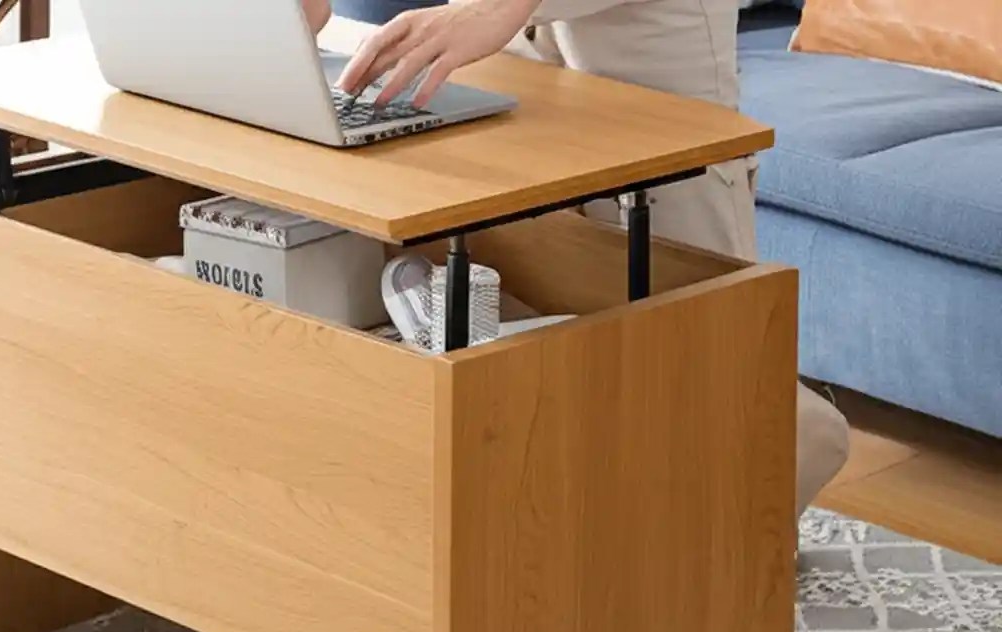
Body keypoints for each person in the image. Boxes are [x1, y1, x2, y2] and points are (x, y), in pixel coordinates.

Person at [305, 0, 851, 519]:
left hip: (664, 152)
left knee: (701, 384)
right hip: (512, 120)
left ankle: (798, 439)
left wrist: (498, 9)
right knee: (545, 364)